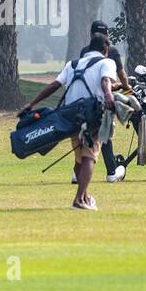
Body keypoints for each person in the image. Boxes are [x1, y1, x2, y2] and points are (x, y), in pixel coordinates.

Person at [19, 32, 117, 211]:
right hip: (91, 116)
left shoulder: (72, 64)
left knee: (79, 158)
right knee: (90, 156)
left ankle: (85, 196)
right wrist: (109, 94)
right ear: (105, 50)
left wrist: (31, 104)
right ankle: (79, 200)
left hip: (70, 117)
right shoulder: (107, 62)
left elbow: (54, 86)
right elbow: (105, 81)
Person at [79, 20, 131, 183]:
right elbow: (121, 75)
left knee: (85, 133)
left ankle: (77, 171)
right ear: (107, 36)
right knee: (105, 131)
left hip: (84, 99)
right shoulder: (112, 52)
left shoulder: (84, 51)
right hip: (102, 99)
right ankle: (111, 171)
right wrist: (126, 88)